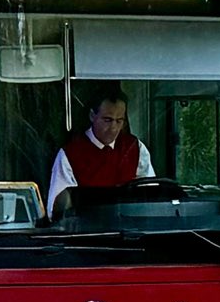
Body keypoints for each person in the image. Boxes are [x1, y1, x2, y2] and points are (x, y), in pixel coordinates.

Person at [46, 84, 154, 213]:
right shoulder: (70, 154)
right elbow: (57, 208)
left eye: (119, 121)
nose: (113, 128)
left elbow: (149, 194)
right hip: (88, 228)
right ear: (92, 116)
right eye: (107, 120)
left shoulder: (135, 148)